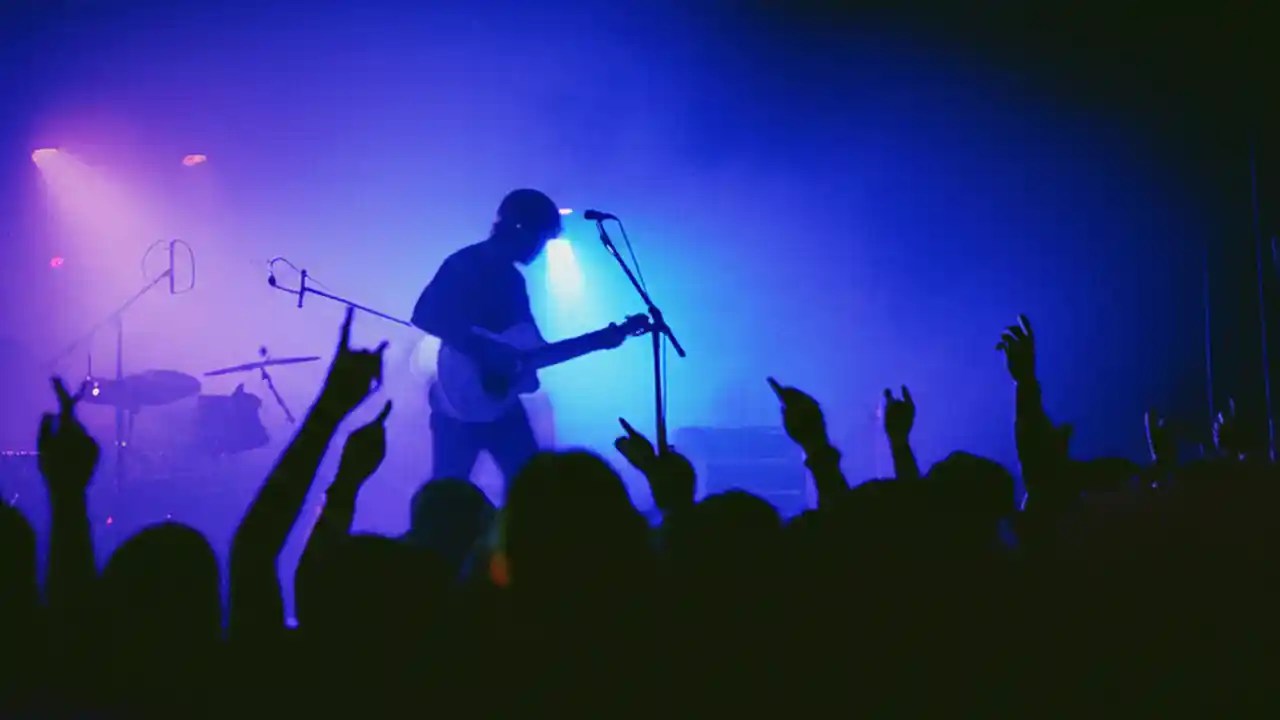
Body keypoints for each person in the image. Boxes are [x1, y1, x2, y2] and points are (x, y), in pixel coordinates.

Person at [411, 189, 563, 493]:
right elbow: (424, 313)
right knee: (448, 499)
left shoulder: (513, 280)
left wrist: (602, 340)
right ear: (520, 229)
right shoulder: (465, 263)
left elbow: (530, 346)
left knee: (531, 487)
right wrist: (482, 349)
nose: (541, 248)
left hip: (499, 402)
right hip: (457, 405)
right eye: (541, 238)